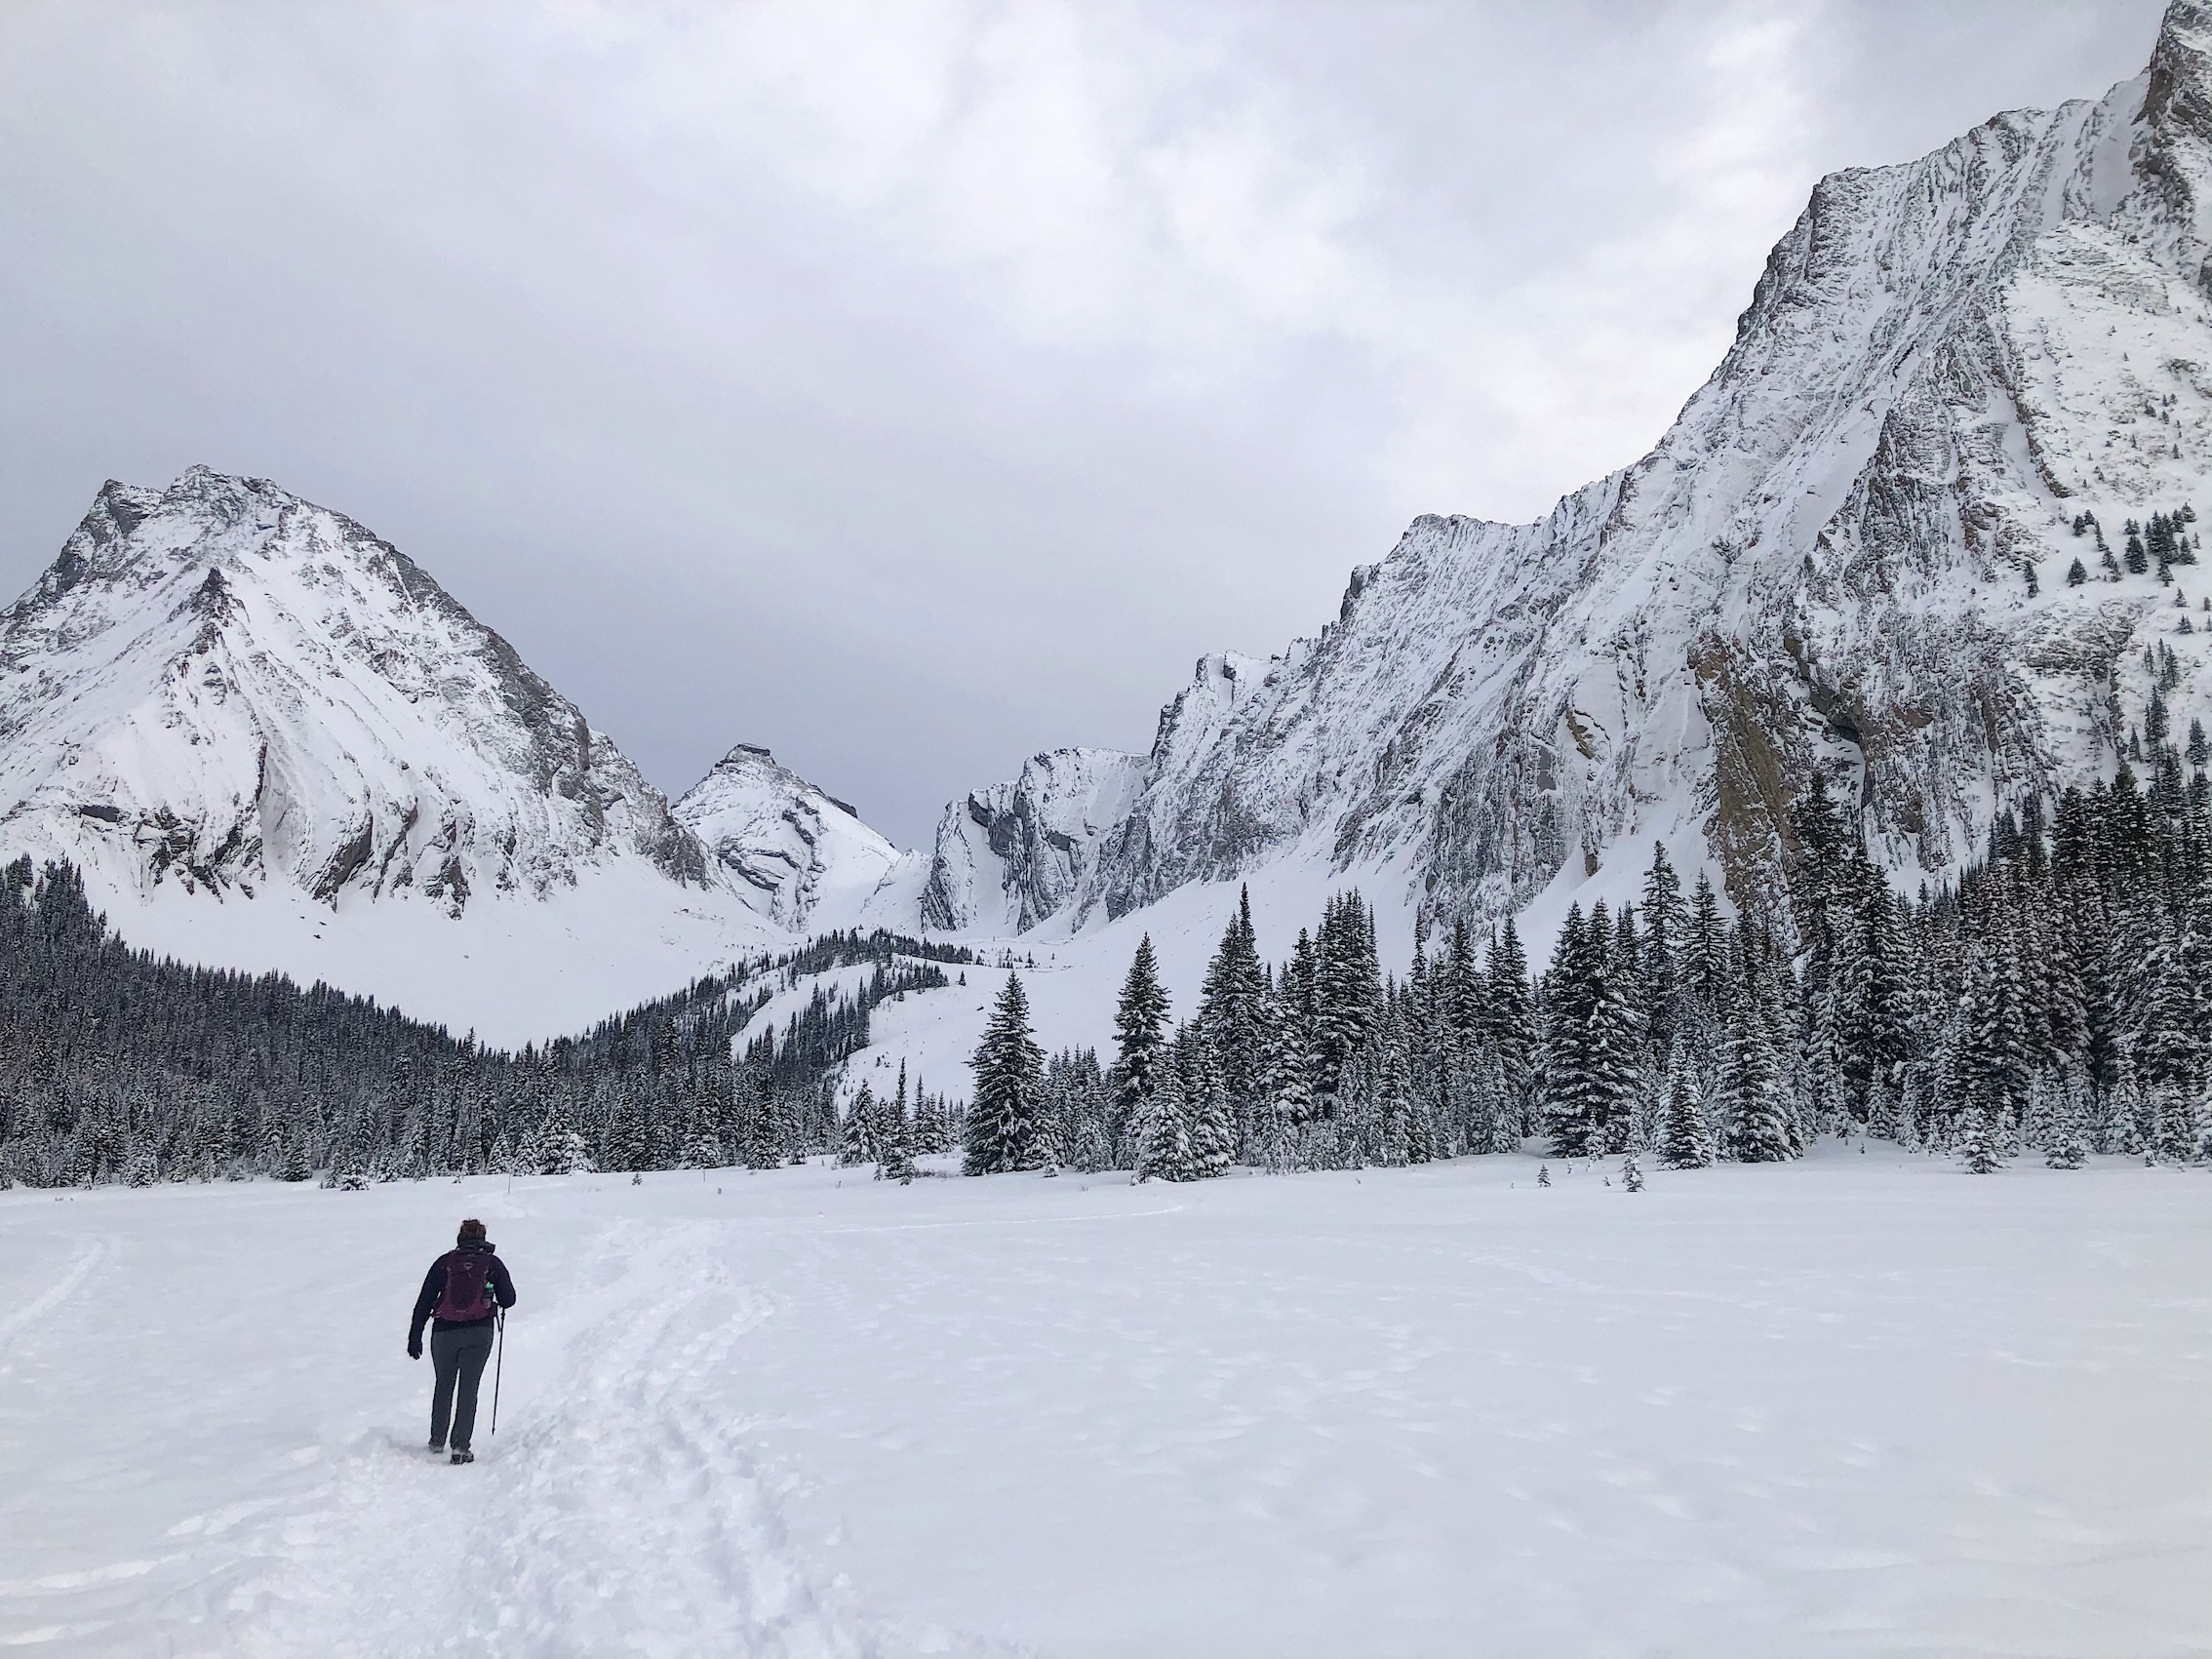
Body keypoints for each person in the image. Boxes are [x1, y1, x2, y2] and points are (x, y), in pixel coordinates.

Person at [407, 1218, 518, 1464]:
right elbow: (509, 1299)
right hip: (479, 1332)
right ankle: (460, 1447)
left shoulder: (444, 1262)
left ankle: (437, 1440)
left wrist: (415, 1335)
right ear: (483, 1238)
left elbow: (424, 1300)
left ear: (460, 1237)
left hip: (443, 1332)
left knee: (443, 1384)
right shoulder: (492, 1263)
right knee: (469, 1388)